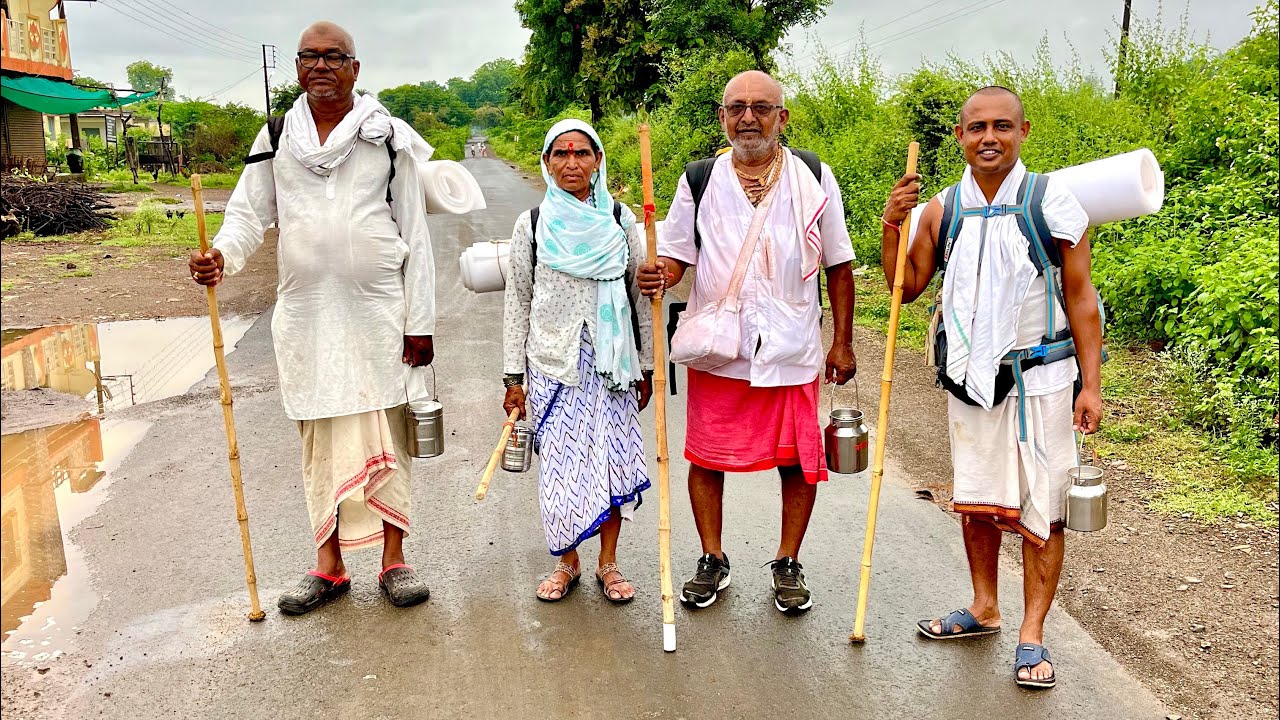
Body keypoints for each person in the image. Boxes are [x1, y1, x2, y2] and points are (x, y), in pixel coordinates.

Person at [189, 21, 437, 615]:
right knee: (319, 439)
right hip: (305, 316)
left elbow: (416, 233)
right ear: (297, 68)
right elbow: (248, 215)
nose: (321, 65)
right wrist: (221, 256)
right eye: (310, 56)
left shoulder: (387, 137)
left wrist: (420, 321)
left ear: (356, 67)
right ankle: (328, 568)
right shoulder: (276, 135)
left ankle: (393, 562)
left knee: (388, 432)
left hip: (380, 313)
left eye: (334, 57)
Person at [881, 86, 1102, 689]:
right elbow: (907, 285)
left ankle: (1031, 634)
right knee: (975, 497)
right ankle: (984, 606)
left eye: (1001, 126)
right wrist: (892, 222)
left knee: (1044, 506)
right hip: (969, 379)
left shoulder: (1050, 200)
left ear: (1023, 132)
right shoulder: (942, 208)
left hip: (1044, 381)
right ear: (960, 136)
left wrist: (1092, 384)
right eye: (976, 127)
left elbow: (1081, 297)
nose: (989, 137)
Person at [638, 71, 858, 615]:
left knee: (797, 460)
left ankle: (787, 562)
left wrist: (843, 343)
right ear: (722, 117)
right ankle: (712, 558)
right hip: (720, 346)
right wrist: (660, 274)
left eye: (761, 107)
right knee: (707, 457)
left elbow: (840, 262)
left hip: (792, 344)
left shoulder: (812, 175)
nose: (748, 118)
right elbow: (677, 253)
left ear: (782, 117)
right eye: (737, 108)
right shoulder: (699, 179)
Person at [503, 119, 655, 603]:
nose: (572, 163)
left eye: (582, 153)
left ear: (598, 160)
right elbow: (517, 302)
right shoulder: (531, 225)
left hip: (612, 364)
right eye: (561, 154)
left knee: (611, 464)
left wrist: (647, 365)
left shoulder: (619, 220)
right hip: (552, 362)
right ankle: (566, 562)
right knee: (562, 468)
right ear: (547, 163)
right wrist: (513, 377)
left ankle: (608, 564)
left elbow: (639, 295)